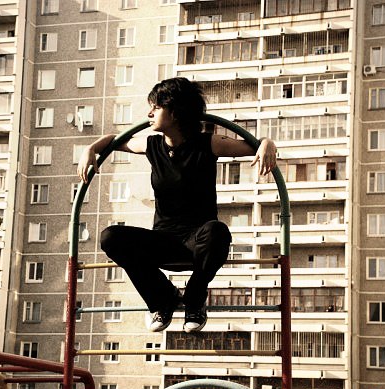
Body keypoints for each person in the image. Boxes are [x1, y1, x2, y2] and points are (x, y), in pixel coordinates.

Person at [77, 77, 276, 333]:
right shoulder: (152, 145)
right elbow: (115, 140)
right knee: (111, 237)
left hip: (198, 245)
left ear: (175, 112)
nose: (149, 113)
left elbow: (254, 146)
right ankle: (163, 299)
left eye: (156, 107)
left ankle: (194, 301)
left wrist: (267, 143)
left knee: (217, 231)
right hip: (164, 242)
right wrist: (90, 149)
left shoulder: (208, 143)